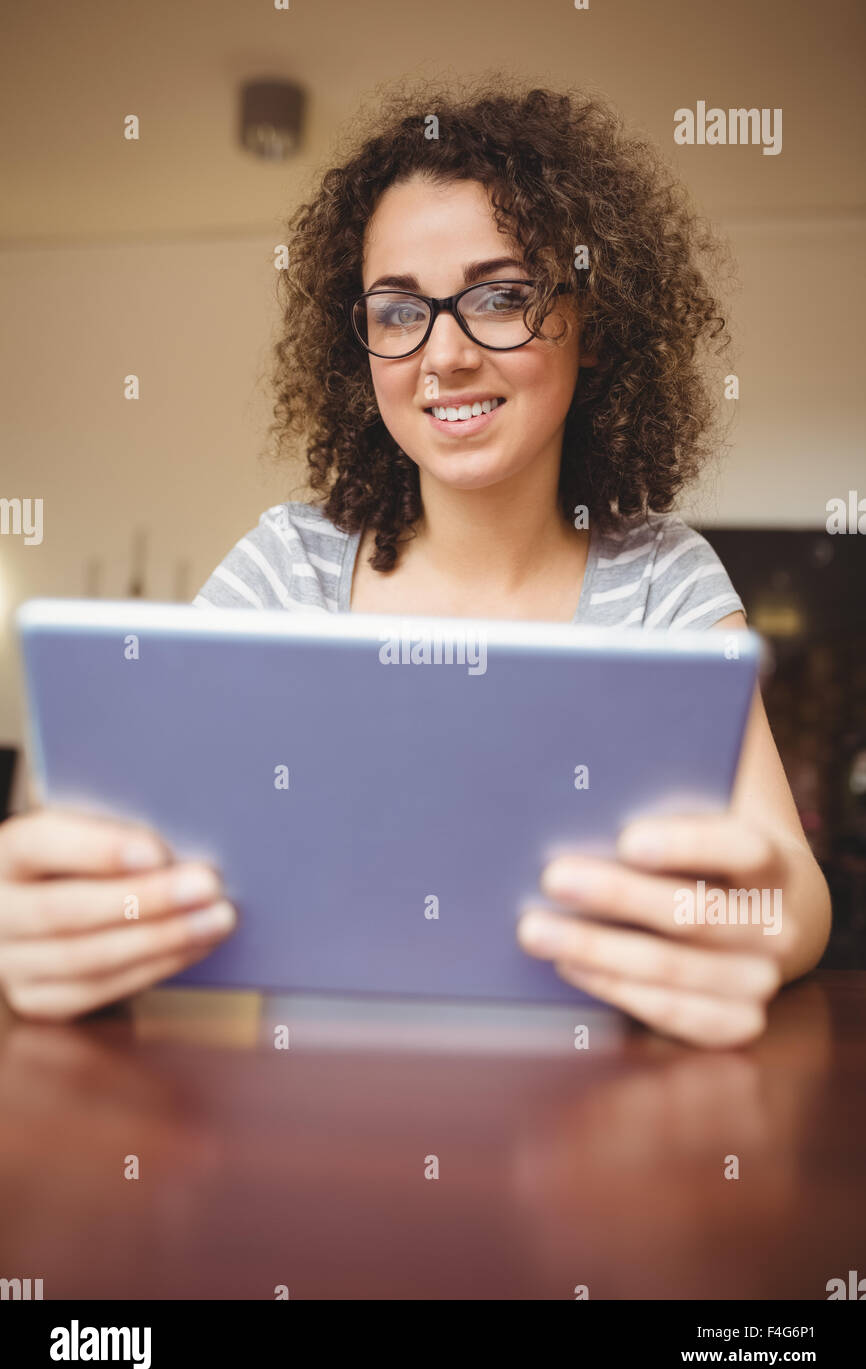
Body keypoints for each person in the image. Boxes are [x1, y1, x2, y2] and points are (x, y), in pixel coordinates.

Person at [0, 79, 831, 1045]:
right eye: (399, 312)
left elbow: (791, 891)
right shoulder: (288, 566)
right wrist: (40, 902)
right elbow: (101, 838)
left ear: (591, 324)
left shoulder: (664, 577)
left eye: (502, 296)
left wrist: (759, 922)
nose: (443, 356)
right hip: (310, 1140)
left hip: (595, 1146)